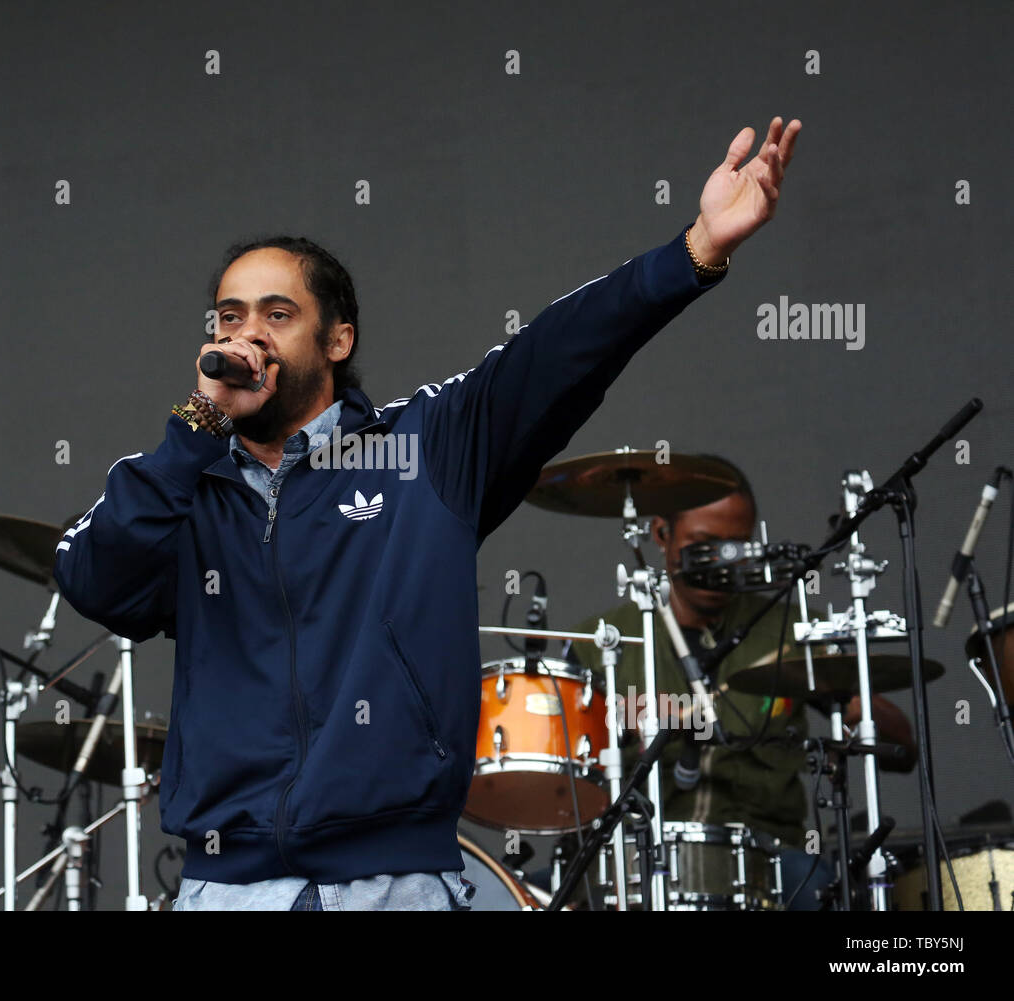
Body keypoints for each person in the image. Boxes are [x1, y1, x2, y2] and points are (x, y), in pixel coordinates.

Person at [53, 119, 803, 910]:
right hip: (225, 886)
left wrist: (694, 251)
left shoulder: (428, 448)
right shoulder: (185, 486)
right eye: (228, 317)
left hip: (395, 882)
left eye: (277, 314)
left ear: (338, 338)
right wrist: (194, 434)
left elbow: (559, 351)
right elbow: (95, 582)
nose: (247, 336)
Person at [565, 457, 917, 909]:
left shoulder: (789, 629)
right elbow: (557, 767)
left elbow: (901, 747)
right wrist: (616, 724)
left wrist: (843, 692)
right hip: (635, 853)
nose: (719, 564)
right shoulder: (601, 640)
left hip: (768, 857)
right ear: (660, 534)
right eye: (703, 545)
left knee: (820, 893)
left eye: (736, 548)